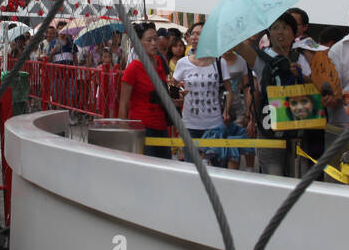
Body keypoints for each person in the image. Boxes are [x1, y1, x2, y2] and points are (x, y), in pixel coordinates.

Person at [234, 12, 312, 177]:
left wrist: (299, 74)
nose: (280, 32)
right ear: (269, 34)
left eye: (285, 27)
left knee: (300, 174)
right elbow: (239, 46)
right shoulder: (261, 58)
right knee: (273, 174)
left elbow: (314, 85)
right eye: (275, 28)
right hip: (270, 127)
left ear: (294, 33)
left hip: (299, 127)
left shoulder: (303, 57)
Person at [172, 22, 233, 157]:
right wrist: (177, 97)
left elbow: (229, 91)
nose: (194, 37)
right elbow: (173, 86)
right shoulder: (183, 63)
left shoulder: (219, 62)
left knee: (216, 169)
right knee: (191, 169)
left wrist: (226, 111)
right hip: (189, 125)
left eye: (199, 34)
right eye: (192, 34)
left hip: (215, 125)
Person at [117, 22, 174, 159]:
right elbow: (123, 104)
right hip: (142, 128)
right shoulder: (133, 69)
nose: (154, 43)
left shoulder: (161, 62)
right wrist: (126, 135)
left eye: (156, 38)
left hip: (162, 126)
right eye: (149, 40)